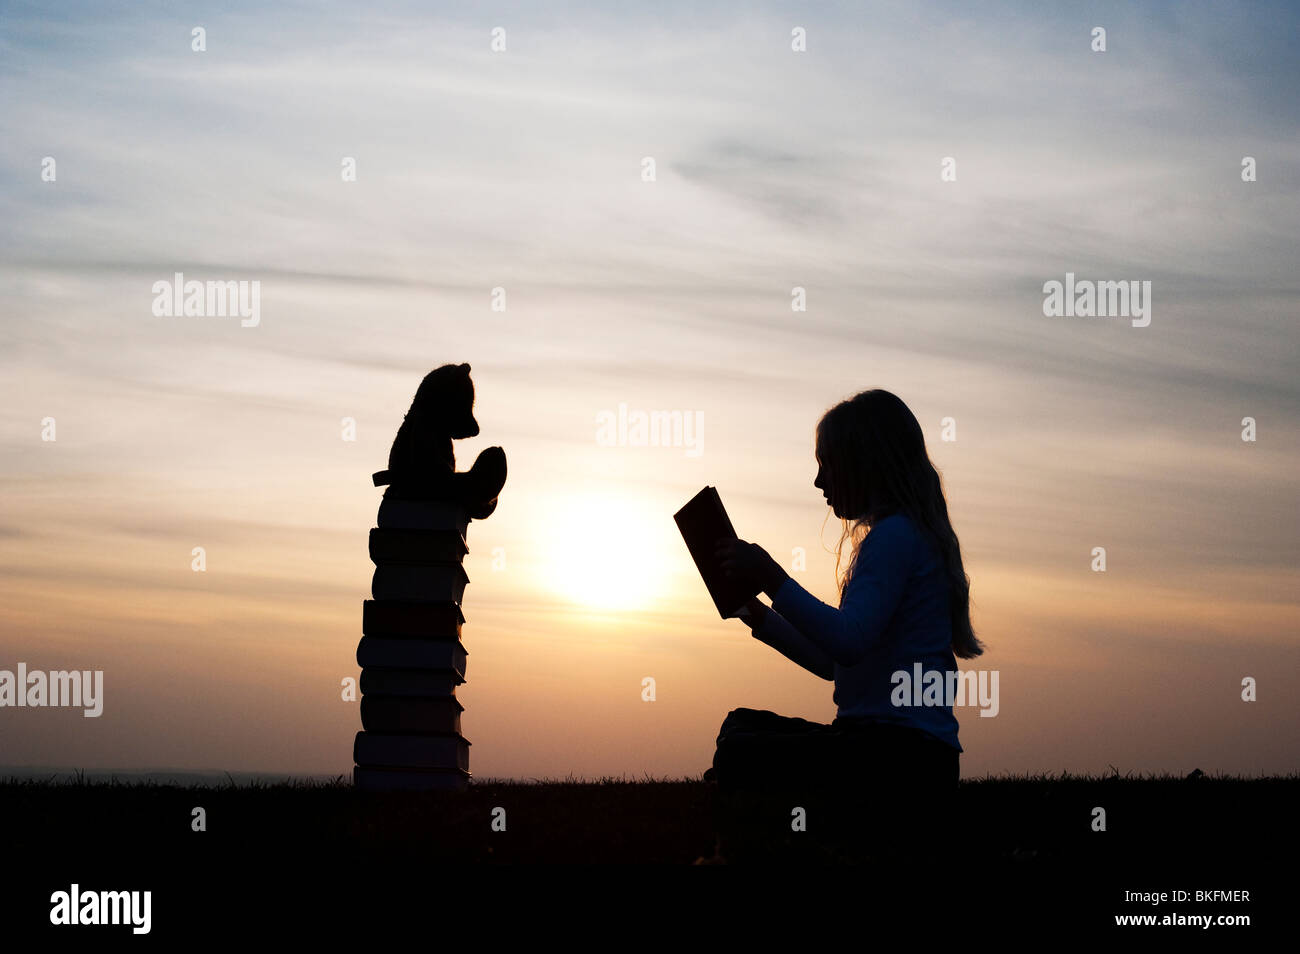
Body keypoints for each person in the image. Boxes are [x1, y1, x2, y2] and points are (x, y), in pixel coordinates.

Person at [708, 388, 984, 860]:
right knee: (740, 730)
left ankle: (744, 849)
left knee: (741, 748)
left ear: (864, 463)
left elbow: (848, 643)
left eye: (827, 464)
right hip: (904, 757)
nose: (819, 481)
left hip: (897, 760)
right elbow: (834, 662)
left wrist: (772, 577)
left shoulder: (894, 539)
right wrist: (755, 611)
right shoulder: (898, 537)